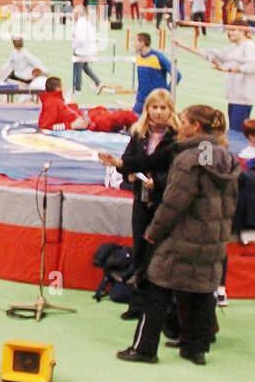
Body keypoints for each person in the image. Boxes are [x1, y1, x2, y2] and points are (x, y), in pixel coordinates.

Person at [117, 105, 240, 365]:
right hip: (213, 238)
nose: (178, 125)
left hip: (183, 236)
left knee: (157, 286)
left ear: (196, 126)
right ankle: (196, 348)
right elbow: (232, 203)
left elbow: (174, 203)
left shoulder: (187, 160)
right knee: (202, 289)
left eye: (183, 121)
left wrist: (154, 232)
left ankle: (145, 348)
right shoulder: (227, 158)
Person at [97, 89, 180, 319]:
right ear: (148, 110)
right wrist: (129, 176)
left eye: (164, 108)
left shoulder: (176, 137)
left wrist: (159, 182)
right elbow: (126, 165)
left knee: (162, 256)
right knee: (139, 254)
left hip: (163, 204)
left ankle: (163, 308)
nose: (159, 112)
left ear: (170, 110)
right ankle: (137, 305)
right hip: (141, 202)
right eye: (155, 107)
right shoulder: (138, 134)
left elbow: (176, 171)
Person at [199, 27, 255, 131]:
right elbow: (215, 54)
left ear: (242, 31)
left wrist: (228, 69)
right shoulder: (233, 48)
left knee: (236, 132)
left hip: (243, 99)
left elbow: (252, 67)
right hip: (233, 96)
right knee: (233, 129)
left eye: (233, 30)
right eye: (228, 30)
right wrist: (182, 45)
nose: (229, 33)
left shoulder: (250, 46)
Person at [36, 77, 135, 132]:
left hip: (85, 117)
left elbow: (65, 113)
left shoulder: (54, 101)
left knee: (100, 109)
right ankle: (139, 129)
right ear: (58, 88)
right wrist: (71, 125)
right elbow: (45, 126)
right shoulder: (52, 103)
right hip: (90, 123)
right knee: (126, 115)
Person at [132, 32, 177, 114]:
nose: (133, 44)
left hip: (155, 100)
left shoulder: (158, 57)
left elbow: (177, 75)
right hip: (141, 100)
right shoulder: (139, 58)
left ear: (142, 43)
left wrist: (166, 91)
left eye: (135, 41)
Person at [70, 6, 103, 93]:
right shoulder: (87, 23)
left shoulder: (80, 24)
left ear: (78, 14)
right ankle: (98, 82)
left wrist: (74, 45)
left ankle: (77, 89)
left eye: (74, 13)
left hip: (81, 51)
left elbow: (80, 39)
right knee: (86, 68)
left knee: (77, 70)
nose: (73, 15)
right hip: (87, 50)